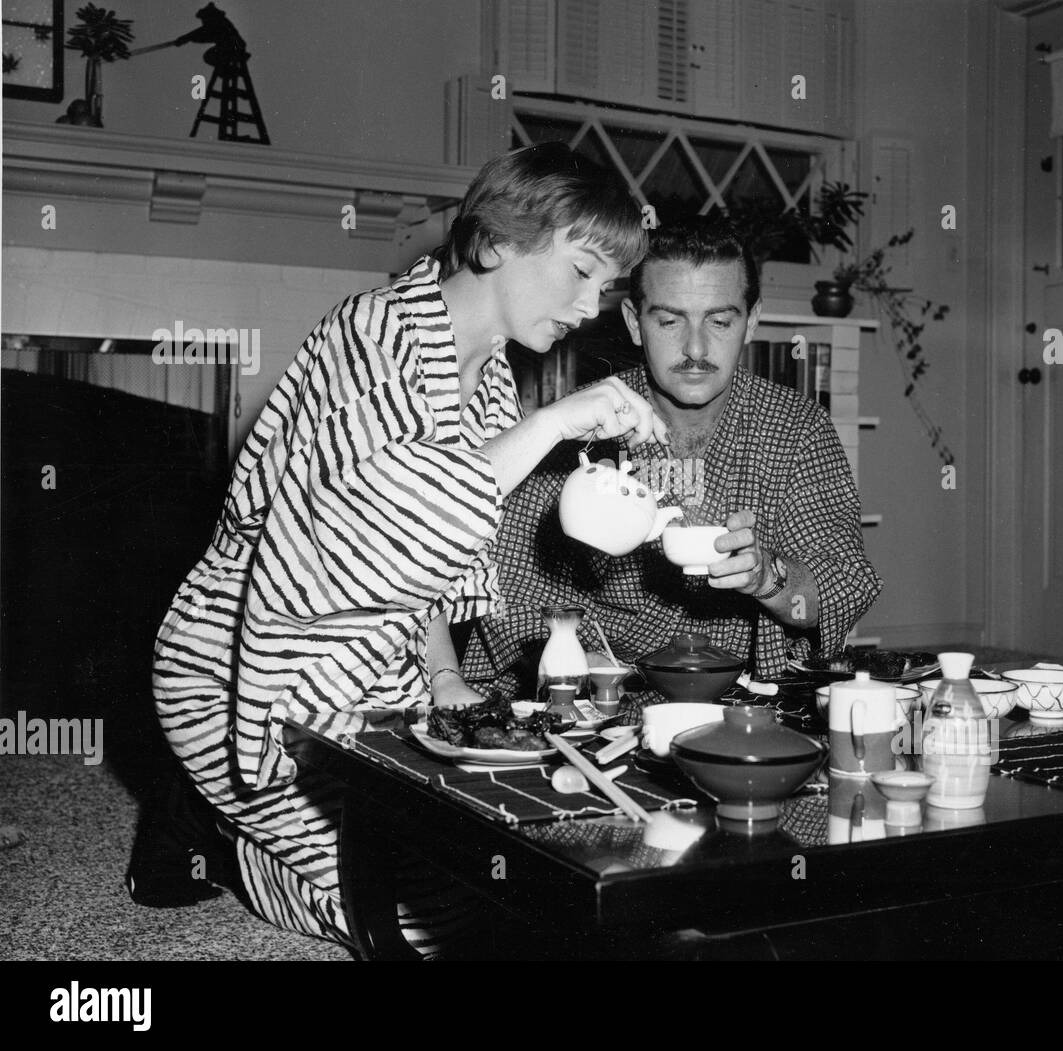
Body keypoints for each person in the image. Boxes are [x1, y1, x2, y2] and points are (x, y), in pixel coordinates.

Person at [132, 143, 664, 954]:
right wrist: (554, 422)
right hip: (247, 669)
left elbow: (423, 566)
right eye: (581, 271)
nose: (592, 307)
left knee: (494, 887)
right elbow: (366, 536)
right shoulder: (369, 335)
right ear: (497, 241)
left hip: (378, 675)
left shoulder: (492, 382)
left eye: (607, 286)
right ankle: (217, 841)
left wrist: (447, 677)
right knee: (415, 926)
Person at [461, 218, 881, 696]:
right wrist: (574, 657)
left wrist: (768, 576)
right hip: (599, 691)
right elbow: (505, 590)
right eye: (668, 320)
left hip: (744, 697)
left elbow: (842, 585)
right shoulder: (581, 423)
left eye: (720, 321)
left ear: (753, 320)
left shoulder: (795, 428)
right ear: (634, 324)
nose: (696, 349)